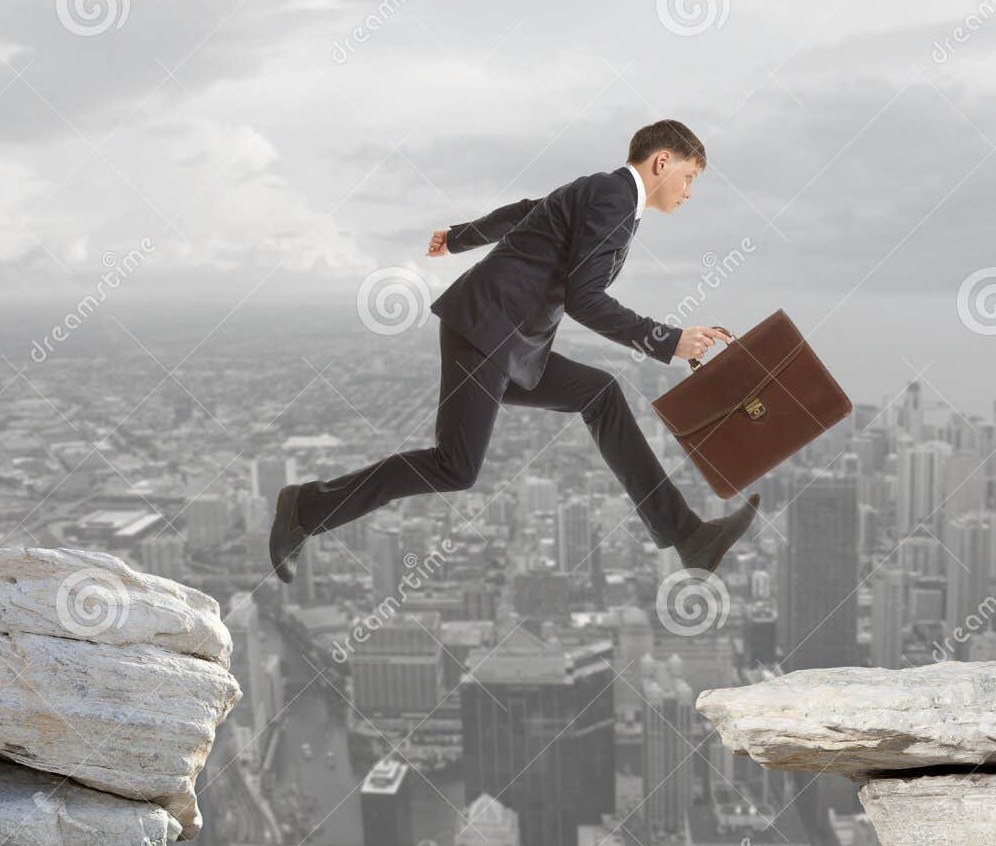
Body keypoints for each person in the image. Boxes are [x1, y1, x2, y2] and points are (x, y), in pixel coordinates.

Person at [270, 119, 759, 583]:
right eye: (689, 177)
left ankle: (688, 536)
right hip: (485, 328)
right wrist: (669, 340)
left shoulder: (605, 193)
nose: (689, 192)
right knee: (455, 466)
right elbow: (585, 299)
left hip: (509, 340)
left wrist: (459, 238)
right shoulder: (612, 198)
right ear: (662, 161)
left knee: (600, 394)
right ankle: (304, 508)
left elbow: (527, 210)